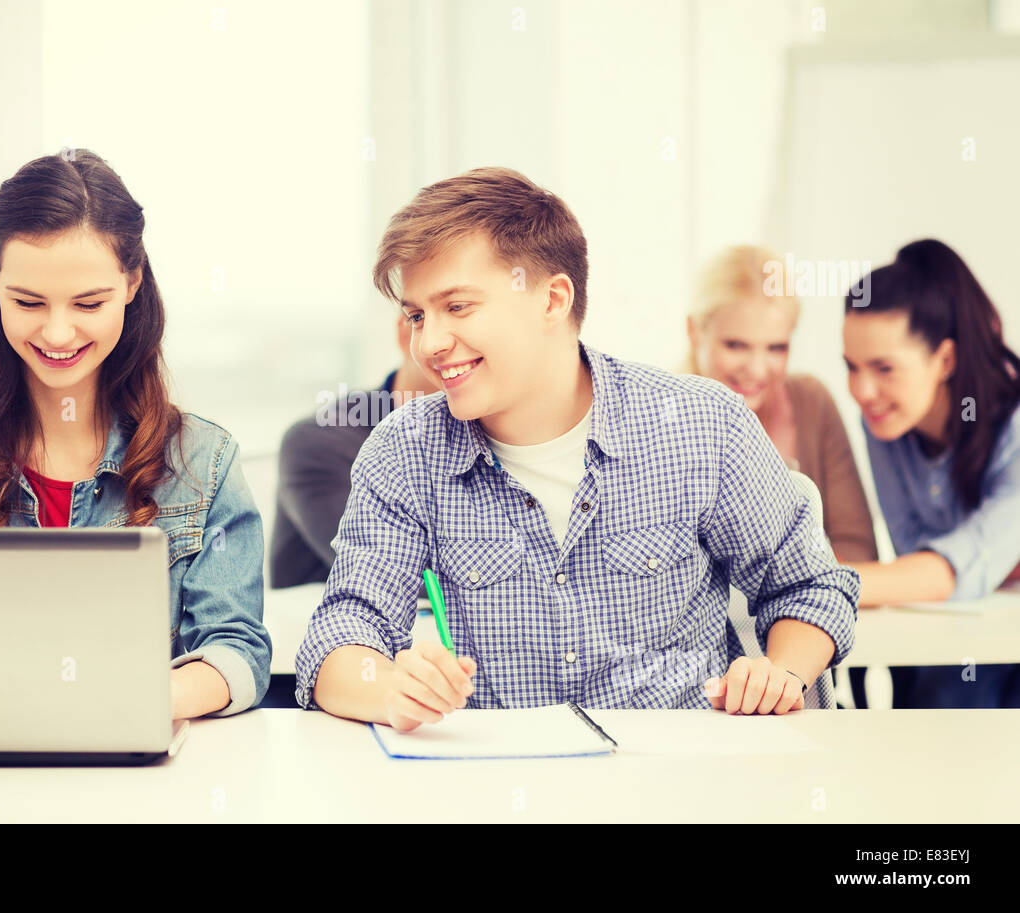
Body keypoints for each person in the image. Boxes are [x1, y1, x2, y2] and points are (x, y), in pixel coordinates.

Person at [295, 167, 859, 730]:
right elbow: (344, 630)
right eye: (418, 315)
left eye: (458, 307)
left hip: (683, 781)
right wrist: (391, 690)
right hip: (509, 784)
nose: (430, 343)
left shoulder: (703, 424)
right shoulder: (404, 450)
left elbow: (807, 586)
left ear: (552, 300)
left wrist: (779, 674)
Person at [0, 149, 271, 719]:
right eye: (27, 302)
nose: (56, 332)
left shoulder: (202, 460)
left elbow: (237, 651)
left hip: (135, 778)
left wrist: (134, 704)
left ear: (131, 282)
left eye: (88, 303)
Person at [843, 239, 1020, 707]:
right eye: (852, 367)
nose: (863, 391)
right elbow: (913, 549)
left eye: (884, 368)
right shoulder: (884, 419)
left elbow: (953, 571)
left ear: (944, 359)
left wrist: (822, 582)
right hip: (955, 632)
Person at [686, 245, 877, 563]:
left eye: (776, 348)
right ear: (694, 332)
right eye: (736, 345)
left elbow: (859, 552)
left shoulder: (812, 403)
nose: (758, 370)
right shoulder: (659, 416)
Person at [269, 314, 437, 587]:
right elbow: (388, 572)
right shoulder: (321, 442)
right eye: (419, 317)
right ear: (406, 334)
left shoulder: (486, 437)